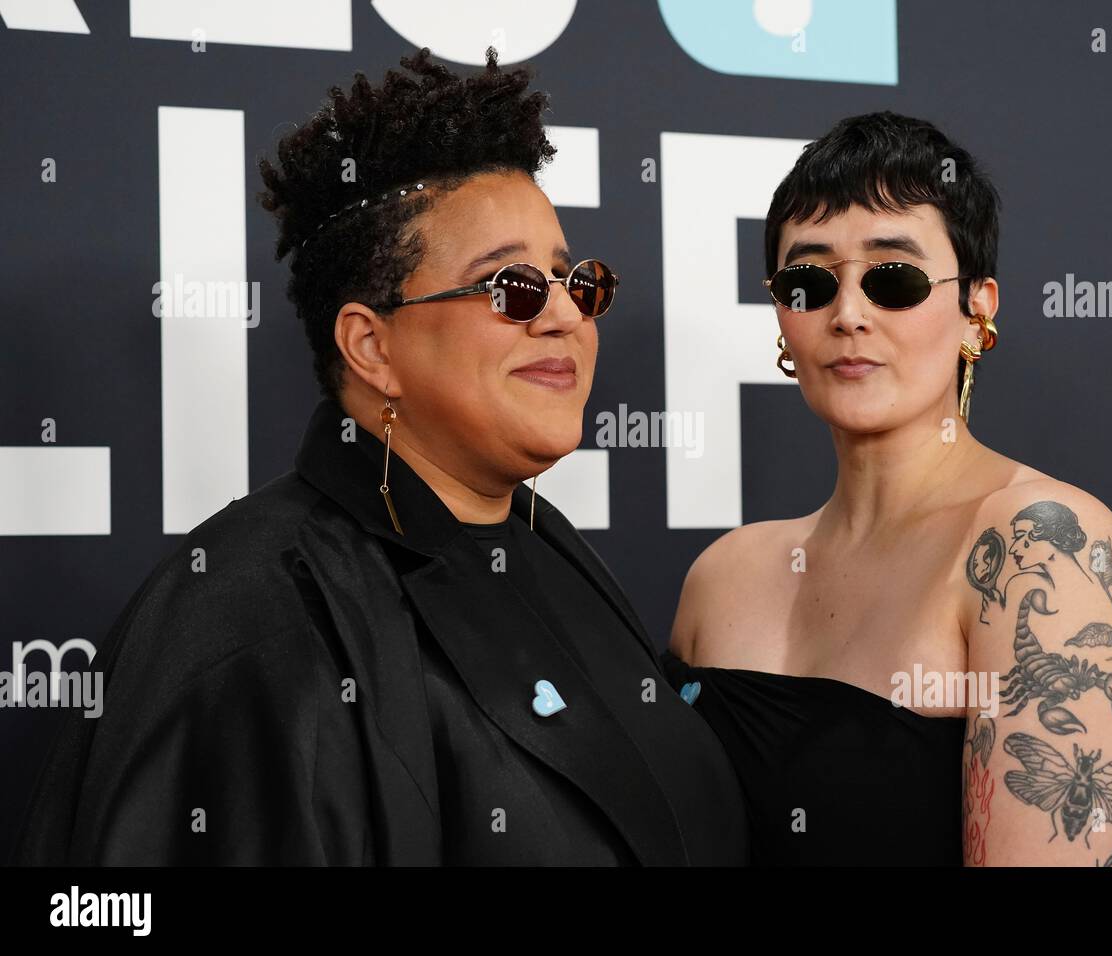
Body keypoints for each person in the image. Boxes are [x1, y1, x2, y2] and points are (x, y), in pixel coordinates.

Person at [12, 48, 747, 866]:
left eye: (575, 279)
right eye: (512, 287)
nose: (566, 315)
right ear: (372, 346)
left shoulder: (546, 545)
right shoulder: (253, 611)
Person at [662, 111, 1112, 866]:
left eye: (894, 279)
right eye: (809, 282)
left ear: (977, 312)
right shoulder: (722, 576)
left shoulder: (1041, 543)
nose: (849, 314)